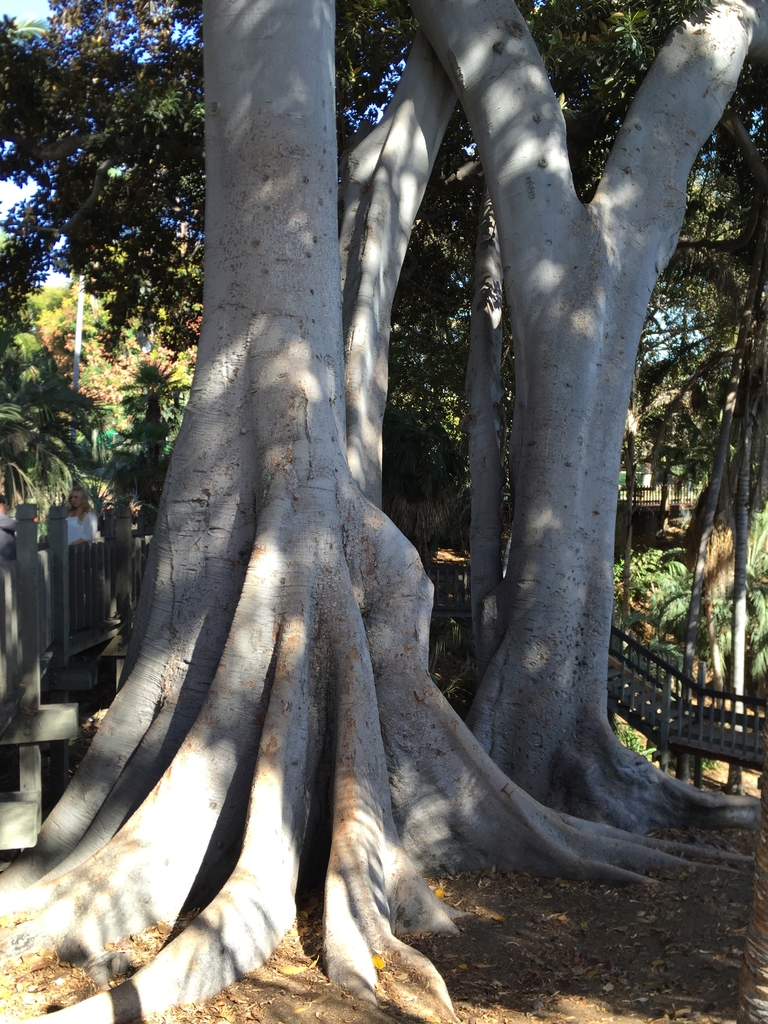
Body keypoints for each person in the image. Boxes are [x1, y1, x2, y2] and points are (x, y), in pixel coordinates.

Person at [0, 492, 16, 561]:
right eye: (6, 506)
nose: (6, 509)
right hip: (4, 562)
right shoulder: (1, 517)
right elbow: (18, 526)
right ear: (1, 505)